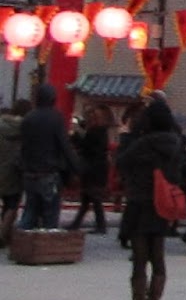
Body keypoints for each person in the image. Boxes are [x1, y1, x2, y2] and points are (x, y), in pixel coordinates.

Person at [114, 97, 186, 300]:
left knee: (139, 259)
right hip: (162, 205)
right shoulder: (176, 144)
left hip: (140, 202)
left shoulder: (142, 143)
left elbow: (121, 163)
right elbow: (184, 171)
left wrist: (126, 136)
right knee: (158, 257)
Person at [18, 83, 79, 231]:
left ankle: (22, 242)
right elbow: (64, 145)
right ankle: (46, 245)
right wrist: (76, 167)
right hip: (49, 172)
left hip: (29, 172)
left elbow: (23, 146)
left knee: (30, 210)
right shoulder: (55, 117)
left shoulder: (28, 118)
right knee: (50, 214)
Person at [66, 105, 112, 234]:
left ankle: (99, 225)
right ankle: (79, 223)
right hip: (98, 167)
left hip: (93, 168)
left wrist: (75, 136)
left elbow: (86, 147)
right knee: (88, 198)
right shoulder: (102, 131)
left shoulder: (94, 132)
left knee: (92, 197)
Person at [0, 100, 29, 246]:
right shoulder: (25, 128)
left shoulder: (1, 124)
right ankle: (3, 233)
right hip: (14, 171)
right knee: (11, 204)